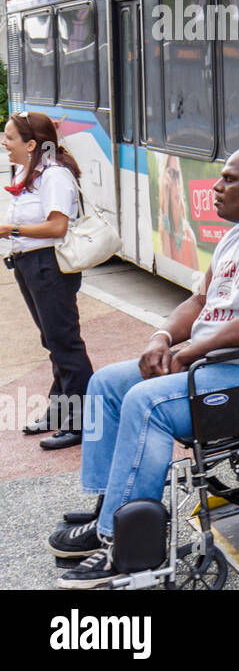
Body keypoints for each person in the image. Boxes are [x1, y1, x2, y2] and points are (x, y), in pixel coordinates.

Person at [48, 147, 239, 589]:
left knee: (148, 403)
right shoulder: (237, 237)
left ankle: (123, 544)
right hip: (220, 361)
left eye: (228, 180)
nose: (216, 187)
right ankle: (113, 510)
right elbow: (199, 301)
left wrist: (191, 351)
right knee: (105, 383)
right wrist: (161, 337)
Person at [1, 111, 94, 450]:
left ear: (30, 144)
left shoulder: (54, 175)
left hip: (49, 266)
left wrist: (8, 230)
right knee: (52, 341)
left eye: (9, 138)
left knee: (65, 344)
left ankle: (83, 422)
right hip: (28, 264)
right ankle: (59, 411)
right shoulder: (28, 171)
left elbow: (57, 227)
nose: (4, 143)